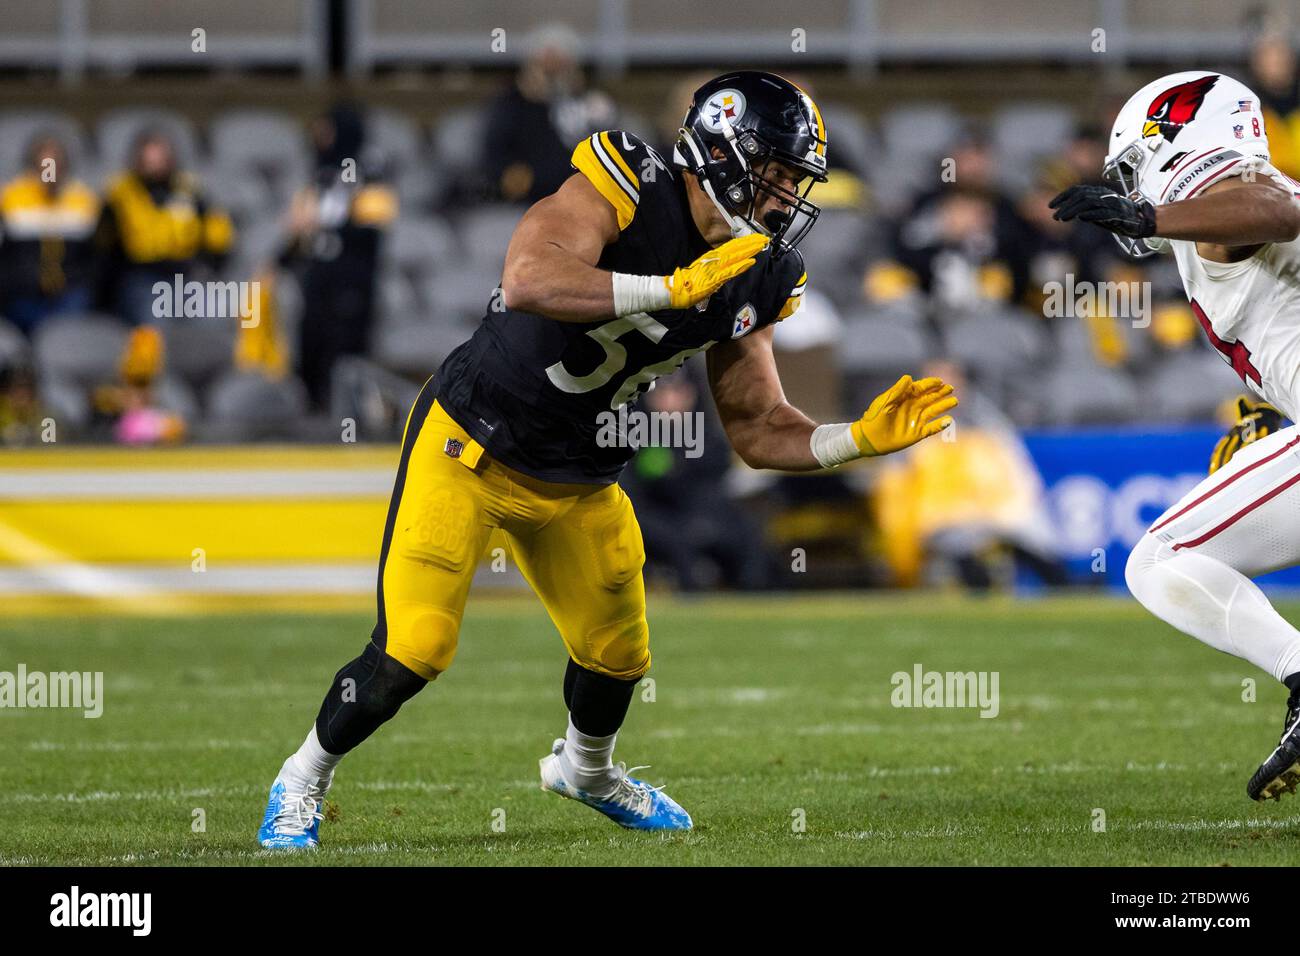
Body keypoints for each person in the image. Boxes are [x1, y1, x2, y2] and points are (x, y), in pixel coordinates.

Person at [257, 70, 957, 848]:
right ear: (724, 156)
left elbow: (758, 429)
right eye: (777, 176)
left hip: (581, 473)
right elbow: (527, 278)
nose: (786, 199)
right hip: (472, 444)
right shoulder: (628, 176)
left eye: (797, 182)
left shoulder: (758, 268)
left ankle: (586, 771)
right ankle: (301, 777)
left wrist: (852, 440)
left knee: (620, 654)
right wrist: (669, 288)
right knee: (414, 648)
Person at [1052, 70, 1300, 803]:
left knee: (1162, 557)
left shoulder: (1238, 198)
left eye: (1136, 169)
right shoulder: (1221, 227)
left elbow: (1274, 211)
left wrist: (1148, 214)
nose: (1132, 188)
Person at [282, 104, 397, 409]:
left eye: (327, 130)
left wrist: (327, 222)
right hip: (318, 276)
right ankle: (314, 411)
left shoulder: (369, 166)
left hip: (352, 277)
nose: (321, 138)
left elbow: (376, 220)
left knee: (346, 353)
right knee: (311, 345)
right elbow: (301, 222)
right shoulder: (319, 169)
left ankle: (347, 417)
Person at [96, 129, 234, 326]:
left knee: (214, 316)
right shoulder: (120, 193)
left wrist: (208, 263)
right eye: (148, 160)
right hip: (141, 279)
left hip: (186, 277)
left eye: (161, 158)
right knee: (158, 320)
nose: (155, 165)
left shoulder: (190, 190)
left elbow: (218, 234)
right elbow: (104, 245)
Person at [0, 134, 100, 335]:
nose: (50, 170)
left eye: (56, 164)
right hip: (22, 293)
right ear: (32, 166)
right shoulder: (10, 198)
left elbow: (93, 258)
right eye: (45, 164)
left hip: (70, 294)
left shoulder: (84, 200)